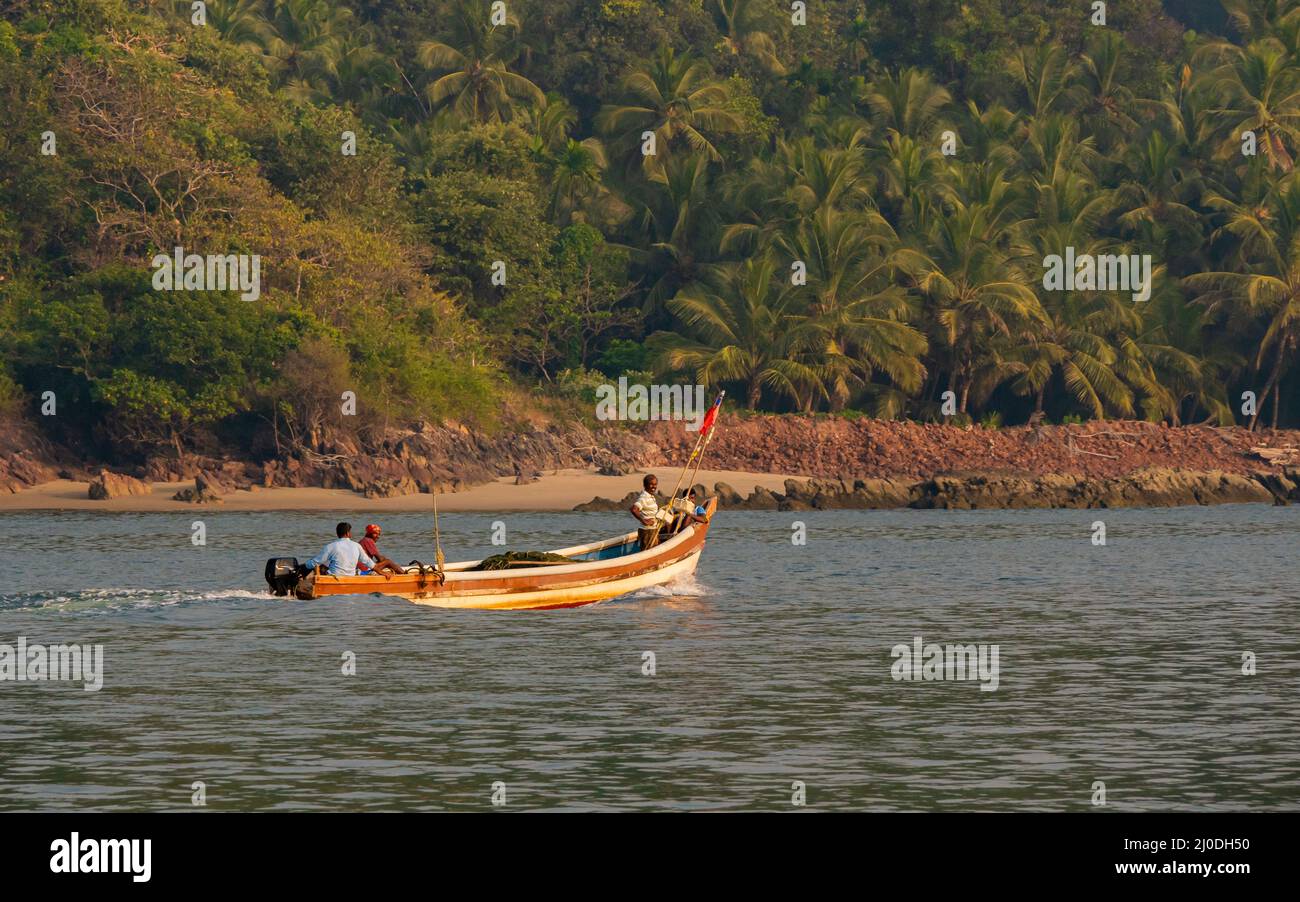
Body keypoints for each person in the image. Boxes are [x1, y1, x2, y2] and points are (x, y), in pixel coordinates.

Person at [304, 522, 378, 577]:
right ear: (347, 533)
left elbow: (316, 562)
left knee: (317, 565)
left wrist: (305, 565)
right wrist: (382, 572)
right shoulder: (357, 546)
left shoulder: (330, 546)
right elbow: (368, 562)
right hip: (351, 578)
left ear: (337, 534)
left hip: (335, 577)